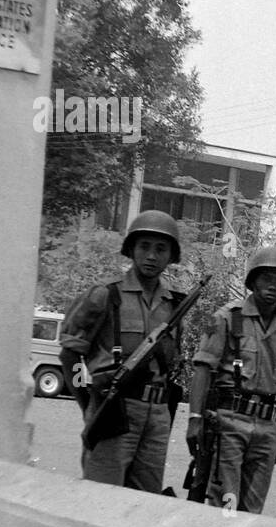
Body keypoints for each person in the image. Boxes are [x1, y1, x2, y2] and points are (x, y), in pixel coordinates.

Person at [59, 210, 185, 492]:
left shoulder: (174, 305)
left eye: (161, 249)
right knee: (102, 495)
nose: (152, 256)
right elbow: (70, 354)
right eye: (144, 247)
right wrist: (87, 404)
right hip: (115, 407)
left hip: (157, 413)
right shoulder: (105, 294)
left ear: (171, 256)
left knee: (145, 500)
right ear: (131, 250)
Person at [187, 246, 276, 514]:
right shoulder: (226, 317)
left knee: (253, 511)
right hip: (229, 422)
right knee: (226, 505)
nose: (273, 286)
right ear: (253, 281)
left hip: (267, 428)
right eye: (266, 278)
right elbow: (203, 368)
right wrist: (194, 419)